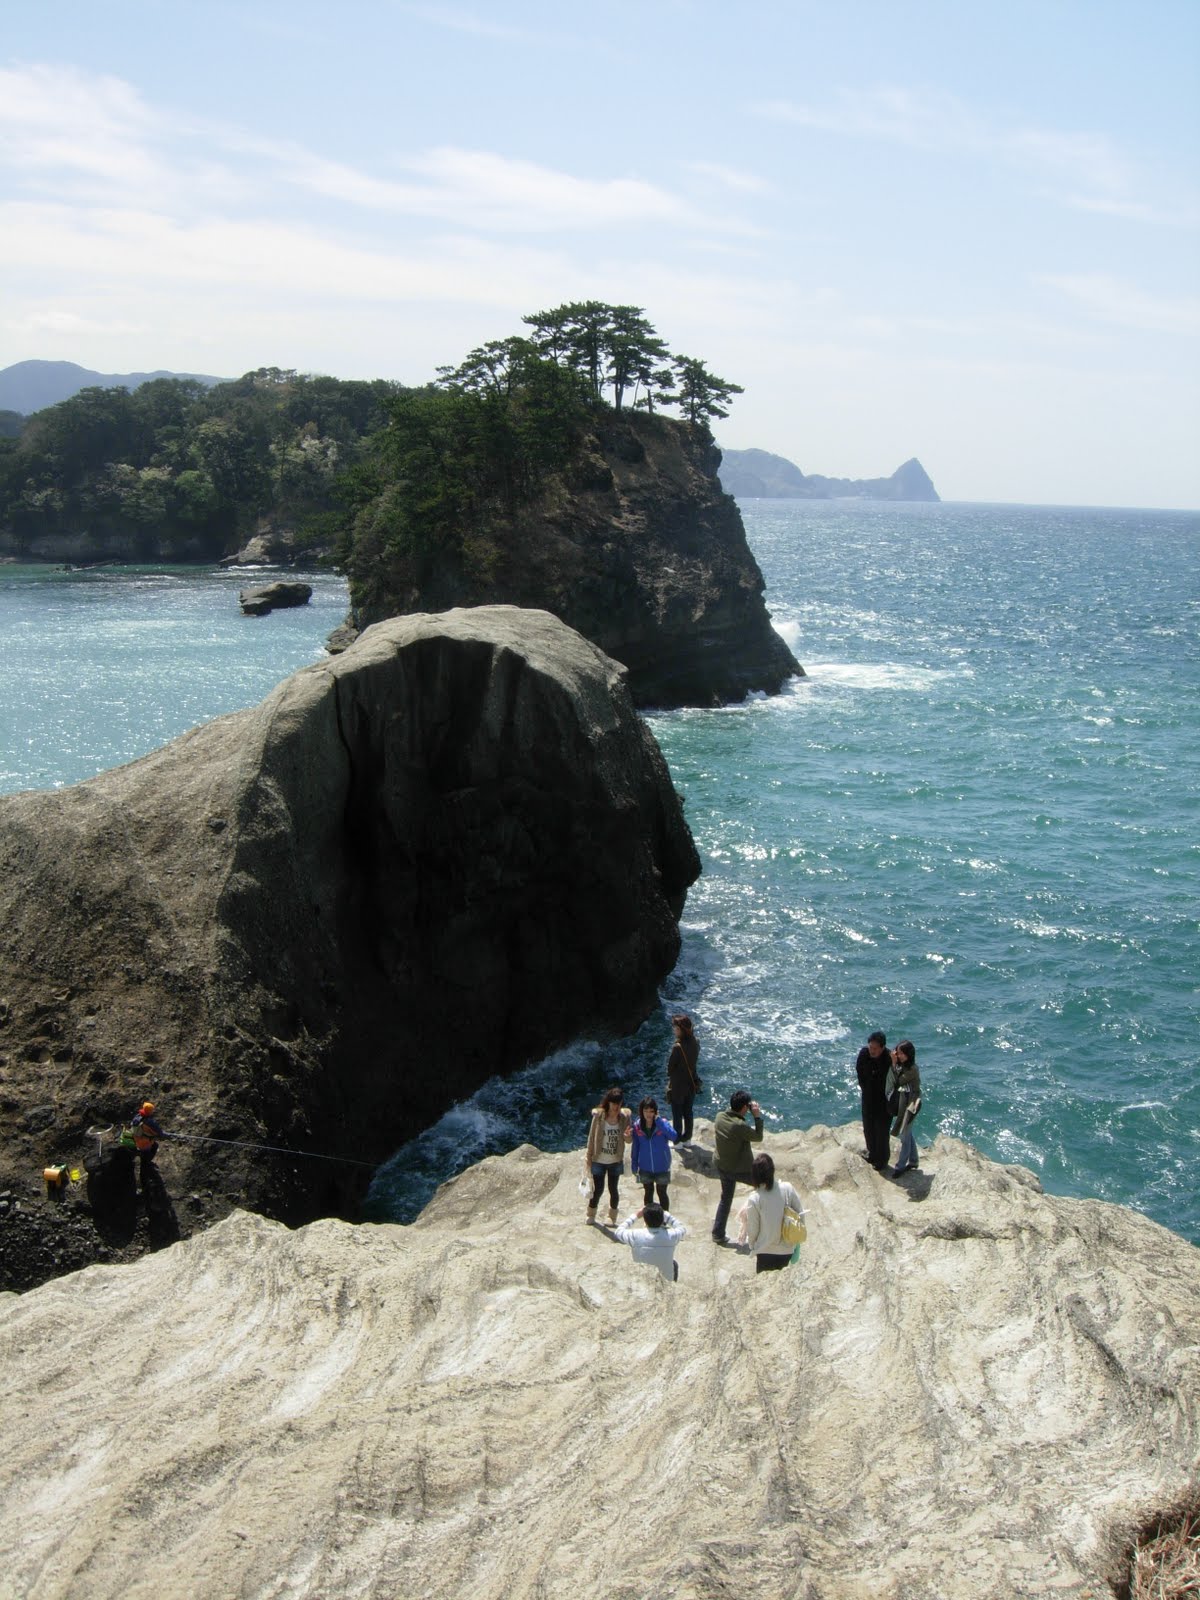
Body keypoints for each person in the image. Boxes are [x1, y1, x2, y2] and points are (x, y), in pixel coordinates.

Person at [711, 1089, 764, 1244]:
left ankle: (718, 1234)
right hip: (739, 1169)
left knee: (725, 1199)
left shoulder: (719, 1117)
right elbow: (758, 1137)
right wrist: (757, 1116)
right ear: (744, 1108)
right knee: (763, 1187)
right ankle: (762, 1230)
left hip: (722, 1166)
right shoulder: (739, 1126)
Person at [738, 1153, 805, 1273]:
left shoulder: (755, 1198)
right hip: (786, 1250)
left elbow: (753, 1228)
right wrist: (796, 1241)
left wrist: (753, 1246)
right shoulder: (787, 1189)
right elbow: (801, 1214)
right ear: (772, 1170)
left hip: (765, 1251)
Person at [584, 1087, 632, 1225]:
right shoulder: (599, 1117)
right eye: (614, 1103)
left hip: (615, 1160)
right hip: (599, 1159)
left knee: (613, 1189)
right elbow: (591, 1137)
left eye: (619, 1103)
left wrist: (627, 1137)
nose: (616, 1107)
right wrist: (588, 1157)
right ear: (608, 1102)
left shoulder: (624, 1118)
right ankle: (591, 1213)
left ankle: (612, 1216)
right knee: (597, 1189)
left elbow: (629, 1140)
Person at [613, 1203, 687, 1282]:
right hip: (666, 1280)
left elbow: (618, 1231)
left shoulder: (635, 1235)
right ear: (662, 1219)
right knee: (674, 1264)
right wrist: (665, 1215)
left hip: (642, 1280)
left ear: (645, 1220)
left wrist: (636, 1215)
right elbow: (682, 1228)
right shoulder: (671, 1235)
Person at [629, 1097, 679, 1210]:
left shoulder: (663, 1124)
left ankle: (665, 1219)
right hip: (645, 1167)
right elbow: (636, 1147)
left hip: (662, 1166)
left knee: (662, 1193)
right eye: (645, 1111)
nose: (648, 1114)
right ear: (641, 1111)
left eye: (651, 1111)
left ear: (655, 1112)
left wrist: (659, 1122)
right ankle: (649, 1218)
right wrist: (634, 1164)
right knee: (648, 1193)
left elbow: (674, 1136)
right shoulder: (637, 1127)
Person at [856, 1029, 892, 1171]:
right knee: (869, 1130)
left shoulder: (889, 1059)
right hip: (868, 1099)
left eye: (875, 1048)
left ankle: (882, 1161)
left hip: (883, 1103)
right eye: (871, 1047)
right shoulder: (864, 1054)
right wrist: (865, 1088)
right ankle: (872, 1155)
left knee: (881, 1133)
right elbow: (859, 1071)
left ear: (882, 1048)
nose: (872, 1050)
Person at [886, 1041, 922, 1177]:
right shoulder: (903, 1066)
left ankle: (900, 1167)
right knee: (908, 1132)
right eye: (897, 1052)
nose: (898, 1055)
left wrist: (894, 1063)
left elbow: (898, 1082)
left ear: (908, 1054)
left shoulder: (912, 1069)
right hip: (904, 1102)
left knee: (904, 1136)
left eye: (901, 1053)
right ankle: (913, 1161)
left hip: (912, 1104)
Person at [665, 1014, 701, 1142]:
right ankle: (688, 1139)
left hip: (678, 1086)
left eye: (675, 1027)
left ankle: (677, 1140)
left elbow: (670, 1069)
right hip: (691, 1084)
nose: (674, 1029)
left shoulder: (677, 1047)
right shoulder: (696, 1042)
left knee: (677, 1113)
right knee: (688, 1112)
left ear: (681, 1029)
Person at [129, 1101, 165, 1177]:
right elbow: (160, 1133)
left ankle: (144, 1160)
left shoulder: (137, 1116)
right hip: (144, 1143)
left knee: (149, 1149)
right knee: (152, 1149)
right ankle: (145, 1168)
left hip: (136, 1139)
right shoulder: (150, 1122)